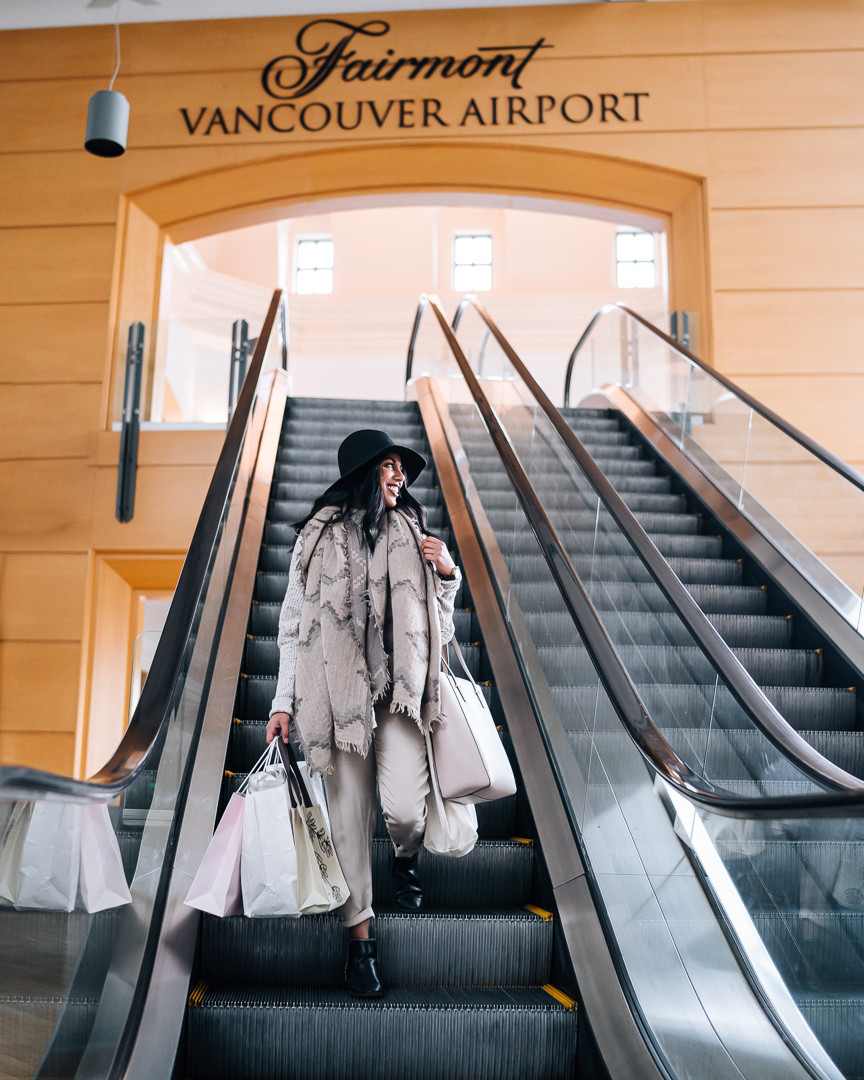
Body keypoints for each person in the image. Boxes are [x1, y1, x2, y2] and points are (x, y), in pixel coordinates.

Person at [265, 428, 461, 998]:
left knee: (403, 808)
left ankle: (405, 858)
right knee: (349, 824)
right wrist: (282, 702)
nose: (401, 477)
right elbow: (293, 626)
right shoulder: (316, 538)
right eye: (390, 467)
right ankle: (360, 945)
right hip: (335, 696)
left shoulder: (413, 533)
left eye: (402, 468)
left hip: (398, 692)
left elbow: (439, 630)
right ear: (364, 474)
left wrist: (446, 574)